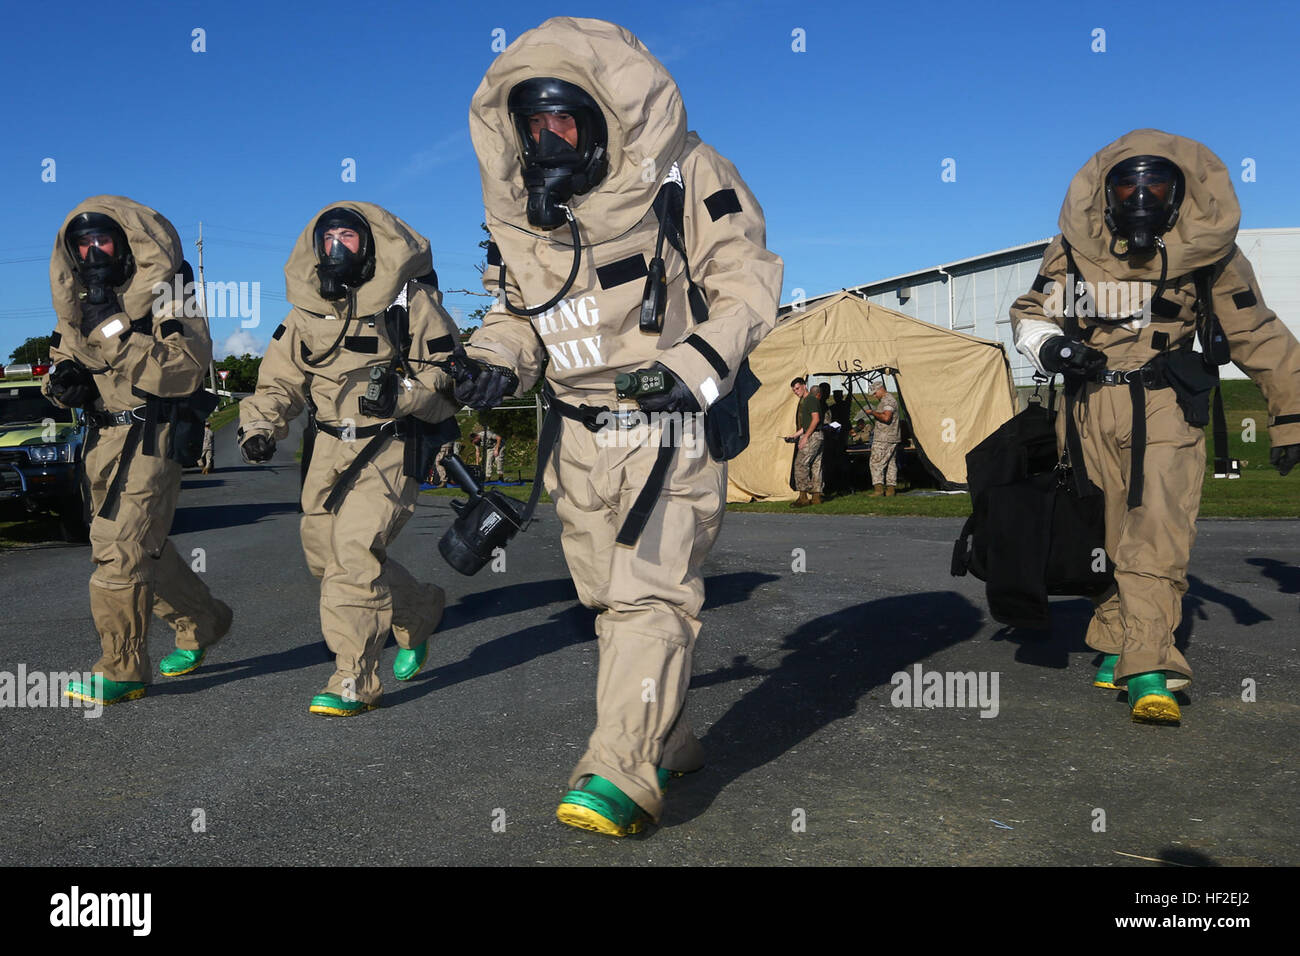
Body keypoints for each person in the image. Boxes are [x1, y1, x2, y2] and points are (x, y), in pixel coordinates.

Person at [452, 17, 783, 835]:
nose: (548, 137)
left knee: (648, 598)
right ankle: (667, 735)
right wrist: (491, 357)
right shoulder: (526, 218)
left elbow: (749, 286)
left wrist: (692, 367)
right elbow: (516, 315)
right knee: (606, 600)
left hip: (666, 427)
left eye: (565, 119)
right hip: (576, 440)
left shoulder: (688, 173)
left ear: (607, 118)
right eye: (533, 123)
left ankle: (618, 774)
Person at [1010, 129, 1300, 724]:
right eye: (1127, 183)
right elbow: (1030, 313)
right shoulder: (1071, 251)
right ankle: (1116, 641)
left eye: (1155, 183)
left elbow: (1255, 331)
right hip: (1087, 408)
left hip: (1166, 404)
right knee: (1103, 530)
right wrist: (1058, 351)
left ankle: (1150, 664)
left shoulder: (1208, 253)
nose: (1140, 195)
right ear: (1105, 192)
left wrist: (1290, 415)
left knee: (1157, 532)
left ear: (1178, 192)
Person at [238, 202, 460, 716]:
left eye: (349, 240)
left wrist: (402, 396)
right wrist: (259, 427)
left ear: (371, 248)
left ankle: (353, 679)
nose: (337, 250)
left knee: (354, 553)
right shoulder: (304, 314)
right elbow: (277, 383)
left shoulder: (411, 304)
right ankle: (419, 609)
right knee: (325, 556)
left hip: (390, 444)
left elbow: (449, 381)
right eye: (329, 240)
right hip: (327, 449)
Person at [45, 196, 232, 704]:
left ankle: (122, 666)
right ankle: (204, 620)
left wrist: (116, 333)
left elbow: (184, 370)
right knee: (142, 546)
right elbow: (62, 356)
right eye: (82, 244)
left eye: (103, 239)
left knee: (119, 548)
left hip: (153, 436)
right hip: (101, 440)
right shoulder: (80, 303)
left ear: (126, 245)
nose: (93, 251)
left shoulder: (174, 294)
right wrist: (63, 383)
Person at [787, 377, 823, 506]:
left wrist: (806, 437)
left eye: (797, 388)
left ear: (804, 386)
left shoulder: (810, 400)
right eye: (794, 390)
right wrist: (795, 436)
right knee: (816, 466)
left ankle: (803, 497)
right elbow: (807, 424)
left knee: (800, 464)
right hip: (816, 434)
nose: (796, 392)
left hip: (813, 436)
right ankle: (816, 497)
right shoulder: (807, 401)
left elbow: (816, 419)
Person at [866, 381, 901, 496]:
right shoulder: (889, 399)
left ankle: (878, 489)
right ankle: (891, 489)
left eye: (875, 393)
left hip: (884, 437)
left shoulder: (887, 401)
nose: (874, 396)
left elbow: (886, 417)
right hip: (892, 436)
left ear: (881, 389)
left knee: (875, 462)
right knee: (891, 463)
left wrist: (873, 413)